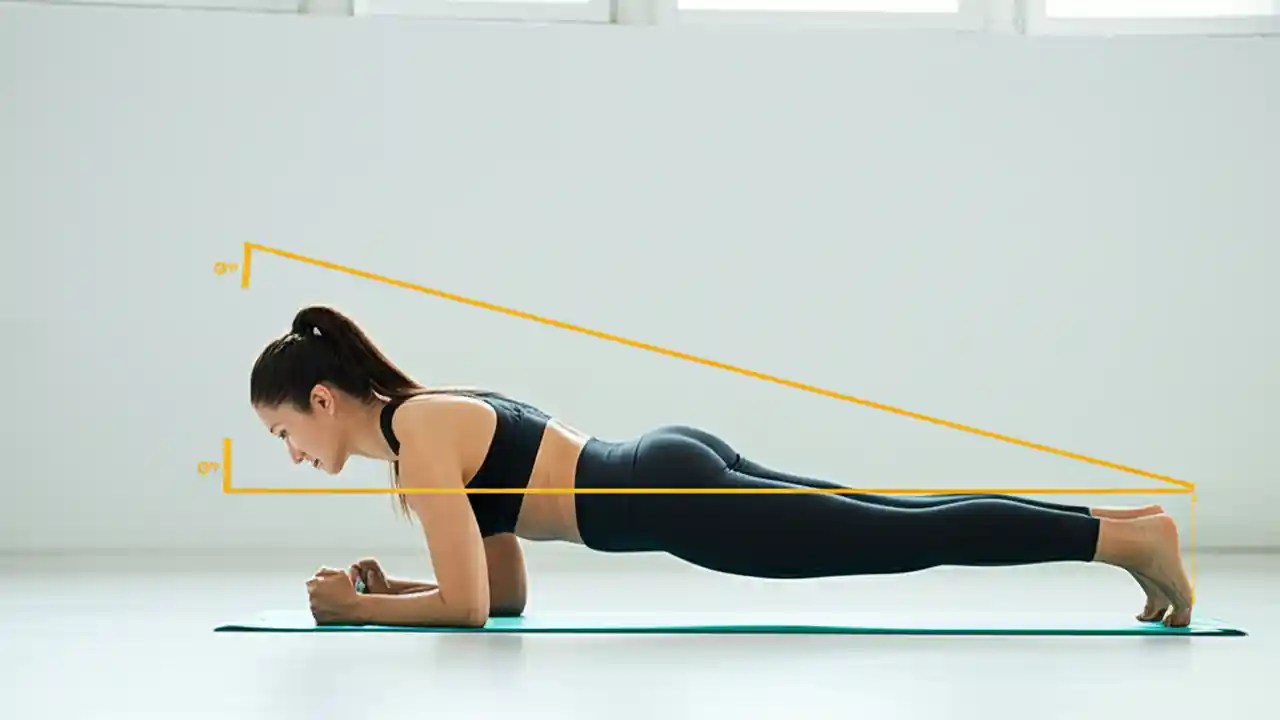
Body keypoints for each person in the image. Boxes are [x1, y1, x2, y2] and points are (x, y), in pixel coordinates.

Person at [251, 305, 1194, 629]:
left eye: (284, 430)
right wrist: (398, 585)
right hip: (670, 466)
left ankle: (1128, 536)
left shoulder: (419, 446)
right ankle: (1127, 531)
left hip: (674, 497)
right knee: (903, 517)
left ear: (323, 400)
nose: (290, 453)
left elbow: (460, 616)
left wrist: (354, 610)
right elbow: (497, 598)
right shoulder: (428, 429)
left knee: (909, 534)